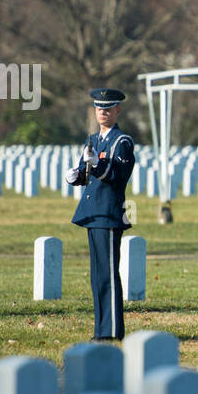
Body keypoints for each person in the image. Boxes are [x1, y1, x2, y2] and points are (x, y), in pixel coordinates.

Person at [64, 88, 135, 341]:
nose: (103, 111)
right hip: (93, 213)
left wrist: (97, 164)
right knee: (97, 276)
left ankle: (111, 330)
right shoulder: (93, 139)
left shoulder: (122, 141)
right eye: (99, 107)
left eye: (108, 107)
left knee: (107, 274)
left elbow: (117, 177)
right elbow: (88, 174)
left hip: (108, 212)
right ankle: (102, 329)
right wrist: (76, 176)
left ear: (117, 110)